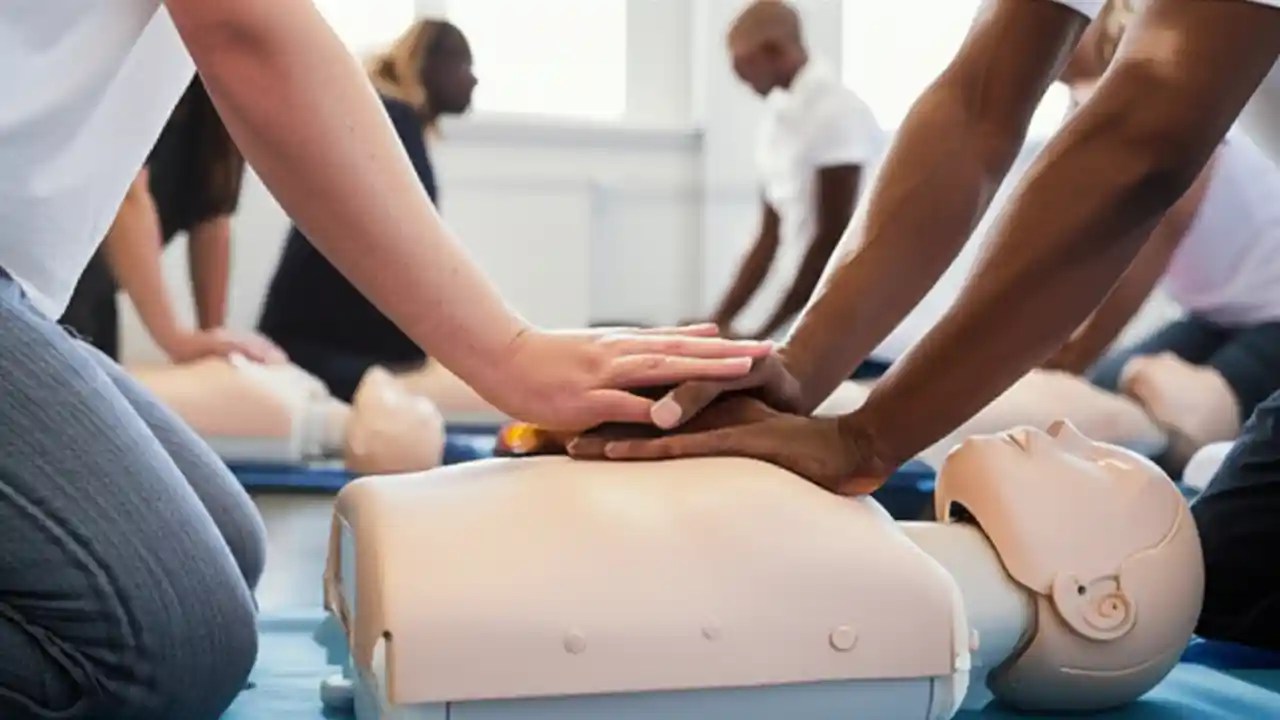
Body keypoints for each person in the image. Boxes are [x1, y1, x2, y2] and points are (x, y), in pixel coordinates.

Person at [0, 2, 770, 718]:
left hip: (22, 294)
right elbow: (247, 29)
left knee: (233, 544)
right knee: (175, 646)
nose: (475, 82)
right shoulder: (388, 116)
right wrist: (510, 356)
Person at [576, 0, 1280, 650]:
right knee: (1224, 568)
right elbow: (976, 105)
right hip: (1222, 310)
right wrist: (799, 371)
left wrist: (869, 435)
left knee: (1213, 574)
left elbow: (1149, 132)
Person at [1044, 29, 1280, 469]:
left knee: (1177, 427)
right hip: (1217, 315)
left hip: (1274, 315)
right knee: (1110, 383)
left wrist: (1075, 354)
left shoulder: (1161, 88)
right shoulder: (1081, 113)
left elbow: (1156, 231)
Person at [258, 19, 466, 401]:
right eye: (462, 64)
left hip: (310, 337)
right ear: (429, 63)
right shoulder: (396, 119)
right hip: (313, 346)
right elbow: (405, 242)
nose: (473, 79)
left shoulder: (394, 120)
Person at [60, 78, 284, 364]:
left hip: (91, 297)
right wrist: (176, 340)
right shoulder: (147, 60)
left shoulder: (216, 102)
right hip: (43, 289)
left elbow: (212, 214)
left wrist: (212, 341)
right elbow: (127, 195)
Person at [704, 1, 885, 355]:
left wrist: (766, 336)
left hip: (848, 318)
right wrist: (717, 324)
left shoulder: (836, 112)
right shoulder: (778, 118)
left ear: (774, 51)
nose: (738, 77)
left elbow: (832, 241)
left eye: (741, 65)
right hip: (802, 311)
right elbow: (768, 236)